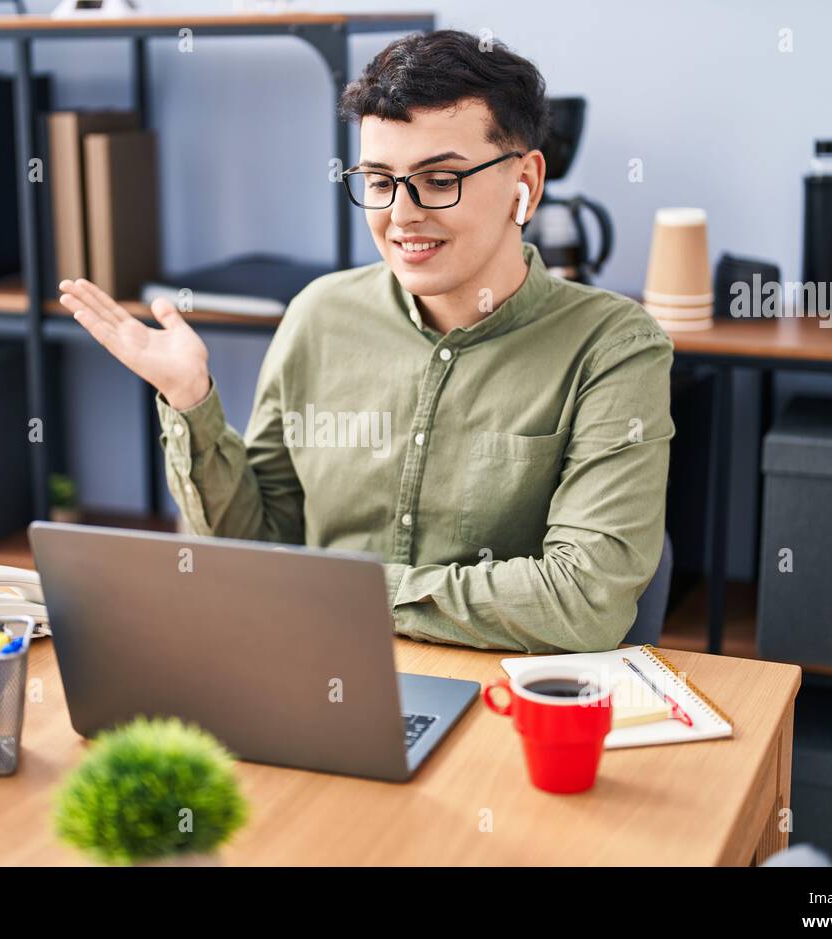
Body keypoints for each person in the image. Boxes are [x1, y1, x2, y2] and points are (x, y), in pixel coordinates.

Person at [59, 29, 674, 654]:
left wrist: (351, 593)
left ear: (527, 183)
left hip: (504, 699)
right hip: (318, 670)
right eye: (380, 181)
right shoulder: (319, 315)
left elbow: (584, 602)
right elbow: (260, 544)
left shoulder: (614, 347)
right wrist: (191, 400)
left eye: (439, 180)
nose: (402, 216)